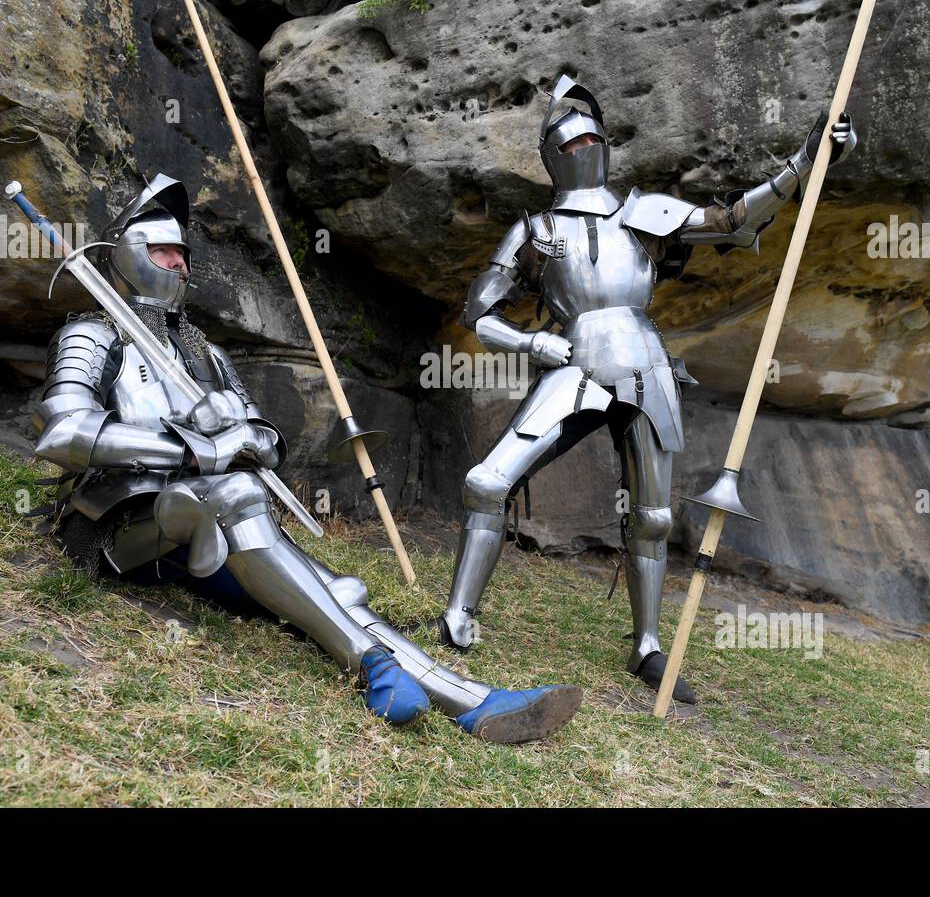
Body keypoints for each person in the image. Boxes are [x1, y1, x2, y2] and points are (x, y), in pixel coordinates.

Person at [33, 174, 582, 743]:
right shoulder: (93, 335)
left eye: (184, 253)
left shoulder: (203, 351)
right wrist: (197, 447)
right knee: (241, 495)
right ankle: (371, 666)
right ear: (127, 253)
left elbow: (265, 438)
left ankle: (475, 703)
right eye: (163, 251)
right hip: (120, 524)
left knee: (336, 591)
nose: (180, 265)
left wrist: (247, 434)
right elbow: (63, 431)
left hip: (207, 519)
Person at [439, 76, 858, 703]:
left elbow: (734, 218)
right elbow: (480, 313)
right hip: (573, 362)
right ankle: (458, 616)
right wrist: (531, 342)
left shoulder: (643, 213)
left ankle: (648, 647)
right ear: (551, 156)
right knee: (487, 481)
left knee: (653, 518)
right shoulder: (534, 230)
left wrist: (807, 158)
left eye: (589, 137)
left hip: (645, 365)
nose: (581, 147)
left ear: (605, 144)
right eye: (568, 139)